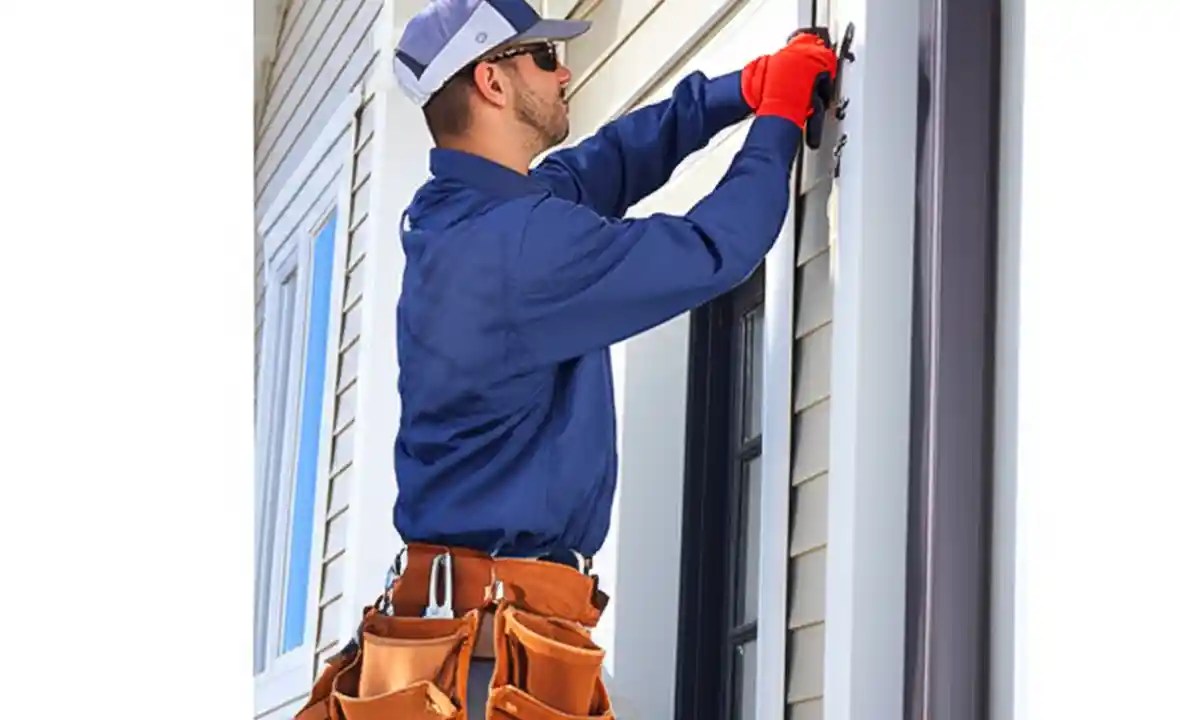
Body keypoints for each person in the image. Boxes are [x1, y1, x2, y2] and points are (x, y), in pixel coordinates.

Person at [298, 1, 837, 718]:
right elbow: (716, 247)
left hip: (478, 631)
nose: (566, 73)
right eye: (545, 59)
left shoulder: (460, 216)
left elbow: (606, 164)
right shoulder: (517, 247)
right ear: (491, 80)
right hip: (493, 659)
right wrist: (776, 119)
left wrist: (738, 90)